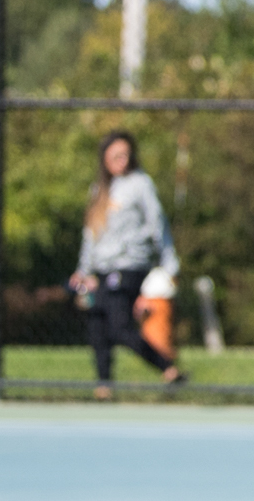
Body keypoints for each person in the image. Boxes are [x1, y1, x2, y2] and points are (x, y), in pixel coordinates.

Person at [68, 131, 184, 399]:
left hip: (130, 265)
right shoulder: (99, 189)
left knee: (119, 325)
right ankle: (104, 385)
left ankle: (167, 367)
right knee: (97, 322)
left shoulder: (141, 184)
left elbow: (158, 223)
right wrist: (83, 270)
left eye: (126, 154)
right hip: (102, 268)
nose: (122, 160)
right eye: (116, 156)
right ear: (105, 160)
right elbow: (91, 234)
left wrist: (169, 264)